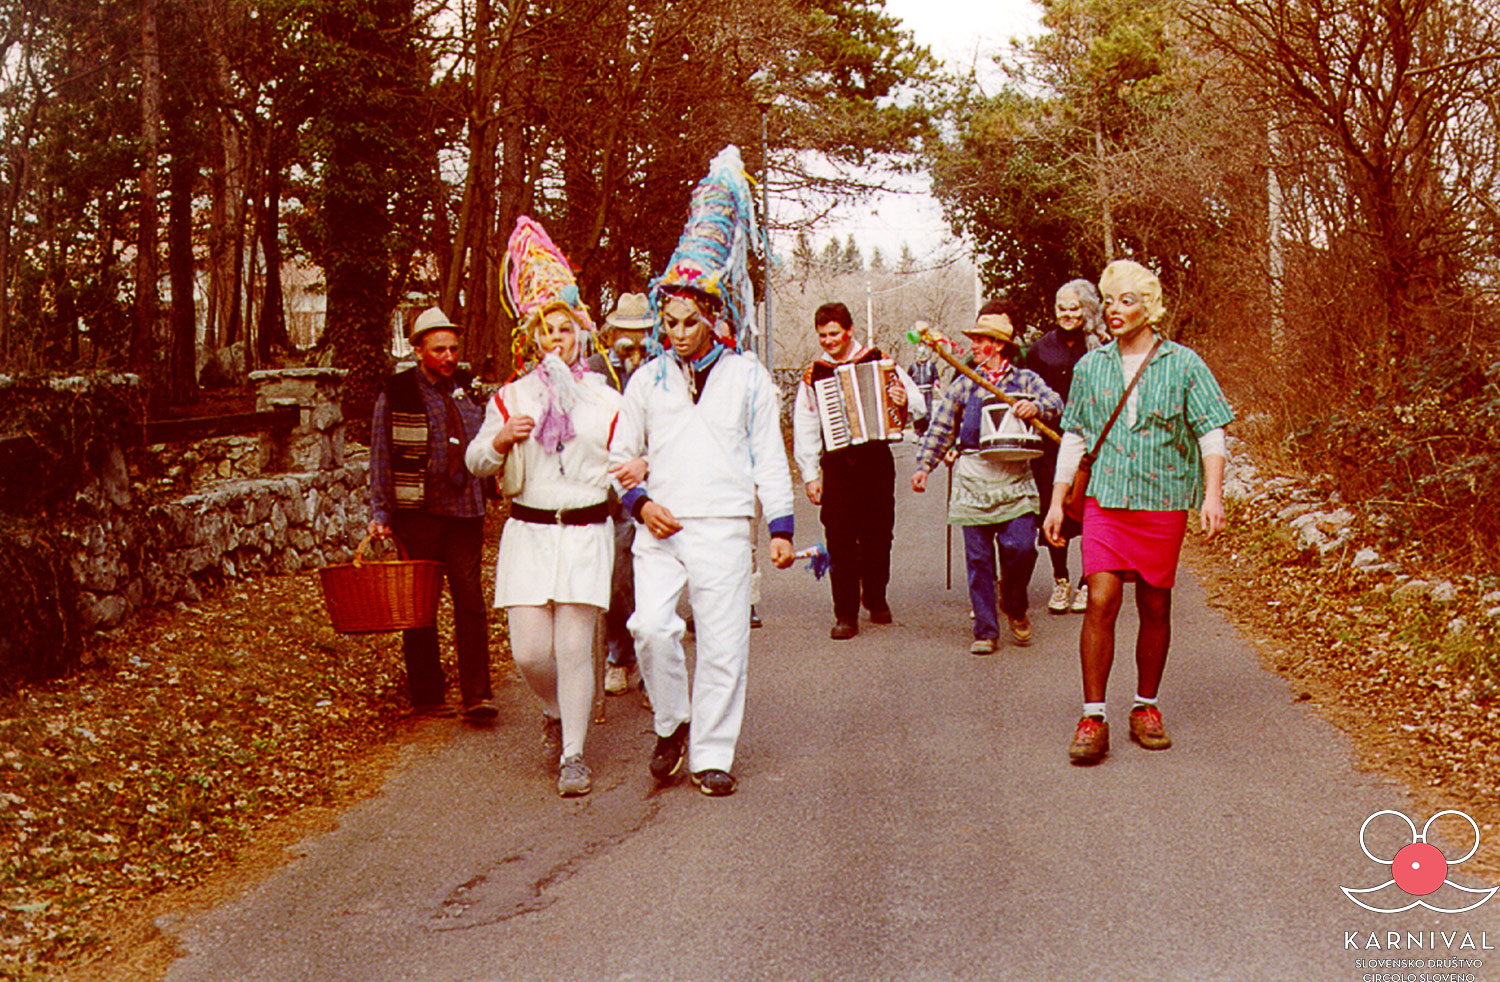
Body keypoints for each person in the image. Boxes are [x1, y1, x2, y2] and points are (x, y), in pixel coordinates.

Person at [610, 145, 795, 798]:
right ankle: (673, 721)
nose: (679, 330)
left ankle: (712, 753)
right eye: (670, 318)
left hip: (722, 523)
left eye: (690, 319)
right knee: (649, 627)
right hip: (660, 522)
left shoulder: (746, 377)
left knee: (722, 644)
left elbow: (768, 454)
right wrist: (637, 502)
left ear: (713, 316)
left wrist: (779, 524)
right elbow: (619, 457)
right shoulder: (645, 380)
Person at [1042, 259, 1233, 766]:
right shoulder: (1091, 367)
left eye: (1127, 300)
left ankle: (1145, 706)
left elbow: (1211, 431)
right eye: (1108, 301)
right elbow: (1076, 435)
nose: (1114, 310)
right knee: (1101, 596)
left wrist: (1212, 496)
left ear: (1150, 308)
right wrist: (1059, 500)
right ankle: (1093, 714)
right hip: (1106, 497)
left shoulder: (1184, 364)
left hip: (1162, 499)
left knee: (1154, 604)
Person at [466, 217, 621, 797]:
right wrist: (501, 442)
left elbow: (631, 455)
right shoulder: (510, 397)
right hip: (528, 533)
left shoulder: (605, 399)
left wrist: (631, 471)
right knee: (531, 652)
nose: (558, 340)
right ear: (532, 338)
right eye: (547, 332)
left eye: (566, 330)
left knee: (574, 645)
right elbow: (477, 460)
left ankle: (574, 754)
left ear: (581, 335)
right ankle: (556, 713)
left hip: (584, 530)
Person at [911, 299, 1062, 655]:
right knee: (978, 560)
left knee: (1022, 548)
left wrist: (1035, 407)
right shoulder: (964, 384)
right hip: (973, 479)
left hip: (1014, 480)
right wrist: (923, 466)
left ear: (997, 345)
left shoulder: (1026, 379)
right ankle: (985, 629)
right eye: (974, 340)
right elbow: (942, 427)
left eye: (980, 340)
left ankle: (1014, 604)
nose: (974, 346)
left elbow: (1056, 403)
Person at [368, 306, 497, 723]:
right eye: (438, 348)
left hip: (465, 513)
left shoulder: (468, 388)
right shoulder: (398, 391)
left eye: (453, 348)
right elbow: (381, 456)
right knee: (419, 607)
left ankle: (477, 695)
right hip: (418, 513)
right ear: (419, 349)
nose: (447, 356)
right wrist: (381, 512)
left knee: (471, 603)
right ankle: (427, 694)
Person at [792, 301, 925, 639]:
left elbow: (918, 403)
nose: (828, 341)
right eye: (822, 335)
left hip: (876, 461)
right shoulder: (815, 373)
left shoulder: (879, 361)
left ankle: (876, 595)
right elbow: (805, 425)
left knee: (879, 535)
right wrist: (810, 473)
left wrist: (900, 398)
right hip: (837, 465)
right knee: (839, 539)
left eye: (834, 334)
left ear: (849, 330)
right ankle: (845, 613)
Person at [587, 292, 653, 698]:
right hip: (607, 493)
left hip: (654, 489)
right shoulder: (593, 371)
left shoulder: (661, 370)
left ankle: (650, 672)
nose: (633, 342)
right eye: (626, 334)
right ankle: (618, 657)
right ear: (611, 335)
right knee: (616, 580)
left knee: (649, 580)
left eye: (642, 333)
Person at [1025, 279, 1103, 615]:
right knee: (1052, 509)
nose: (1068, 314)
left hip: (1093, 443)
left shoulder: (1100, 346)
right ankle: (1061, 578)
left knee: (1090, 512)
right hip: (1051, 444)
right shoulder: (1040, 349)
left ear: (1087, 310)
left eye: (1075, 308)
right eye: (1062, 308)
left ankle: (1088, 581)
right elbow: (1026, 392)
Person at [908, 348, 941, 436]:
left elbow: (936, 376)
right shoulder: (913, 366)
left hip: (928, 391)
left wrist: (936, 382)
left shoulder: (931, 365)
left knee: (927, 412)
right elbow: (908, 378)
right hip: (917, 392)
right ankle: (917, 431)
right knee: (918, 412)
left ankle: (924, 430)